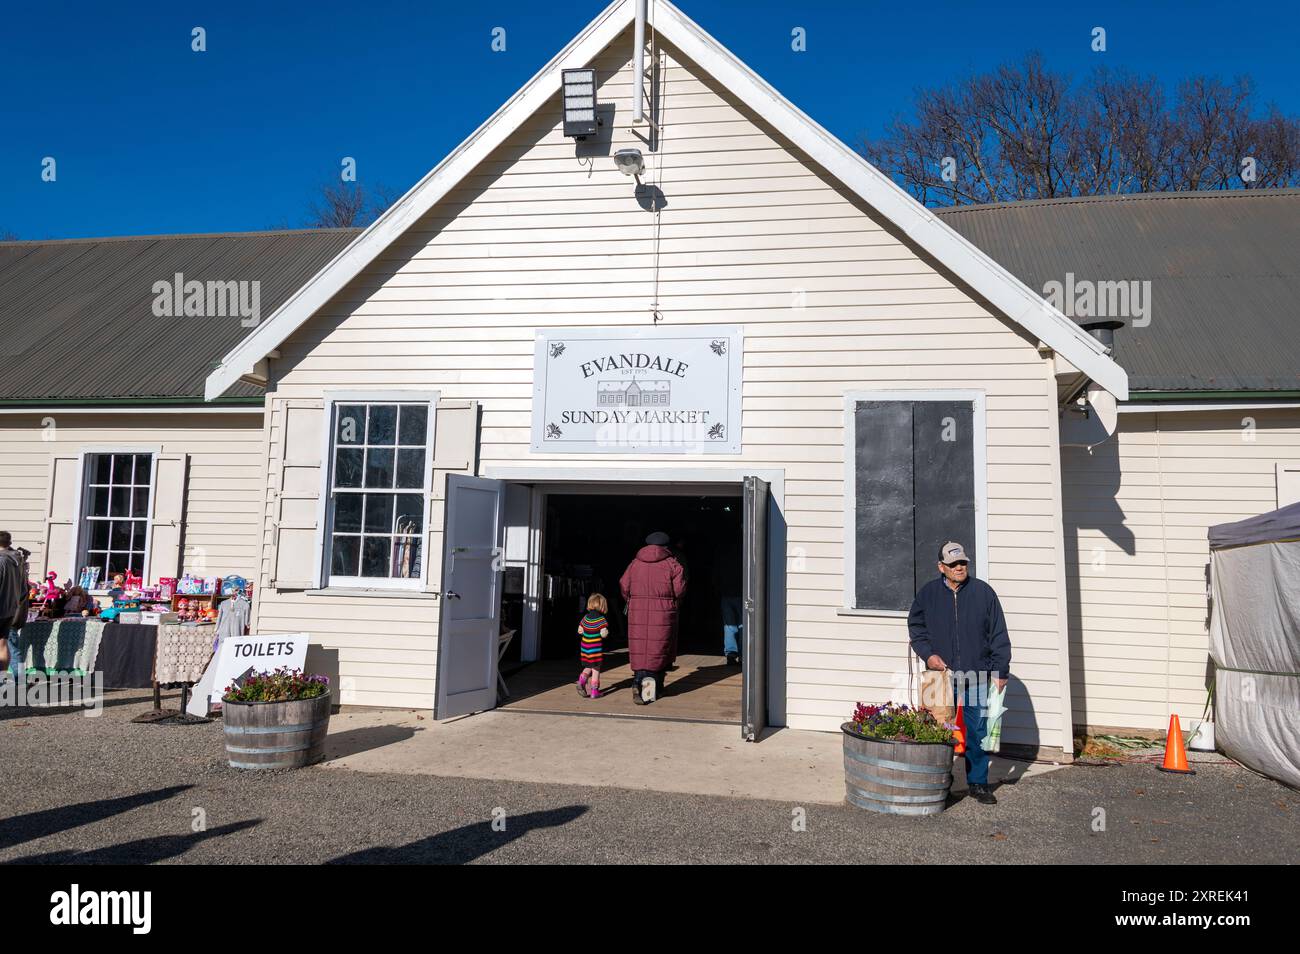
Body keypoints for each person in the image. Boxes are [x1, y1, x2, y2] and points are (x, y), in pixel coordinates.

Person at [907, 541, 1011, 806]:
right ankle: (937, 780)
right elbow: (916, 626)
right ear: (941, 567)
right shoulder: (928, 594)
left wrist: (1000, 671)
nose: (959, 567)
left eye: (962, 562)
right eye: (953, 564)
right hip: (939, 675)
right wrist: (928, 654)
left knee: (977, 731)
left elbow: (998, 634)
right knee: (936, 730)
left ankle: (977, 784)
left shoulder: (983, 593)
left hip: (977, 673)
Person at [620, 531, 686, 705]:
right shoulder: (673, 564)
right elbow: (679, 590)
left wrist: (632, 600)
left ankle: (637, 681)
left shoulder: (634, 564)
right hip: (663, 611)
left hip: (637, 610)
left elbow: (624, 585)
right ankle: (653, 684)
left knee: (640, 645)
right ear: (665, 547)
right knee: (659, 646)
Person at [0, 533, 27, 677]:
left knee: (7, 645)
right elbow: (23, 590)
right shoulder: (17, 561)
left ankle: (17, 678)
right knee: (3, 645)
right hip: (11, 609)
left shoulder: (2, 560)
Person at [575, 593, 609, 700]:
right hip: (595, 648)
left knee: (589, 665)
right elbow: (603, 634)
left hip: (585, 647)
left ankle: (582, 680)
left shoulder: (585, 618)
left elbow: (580, 630)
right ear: (602, 606)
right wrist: (606, 633)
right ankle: (594, 691)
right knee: (596, 668)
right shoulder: (601, 620)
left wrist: (586, 631)